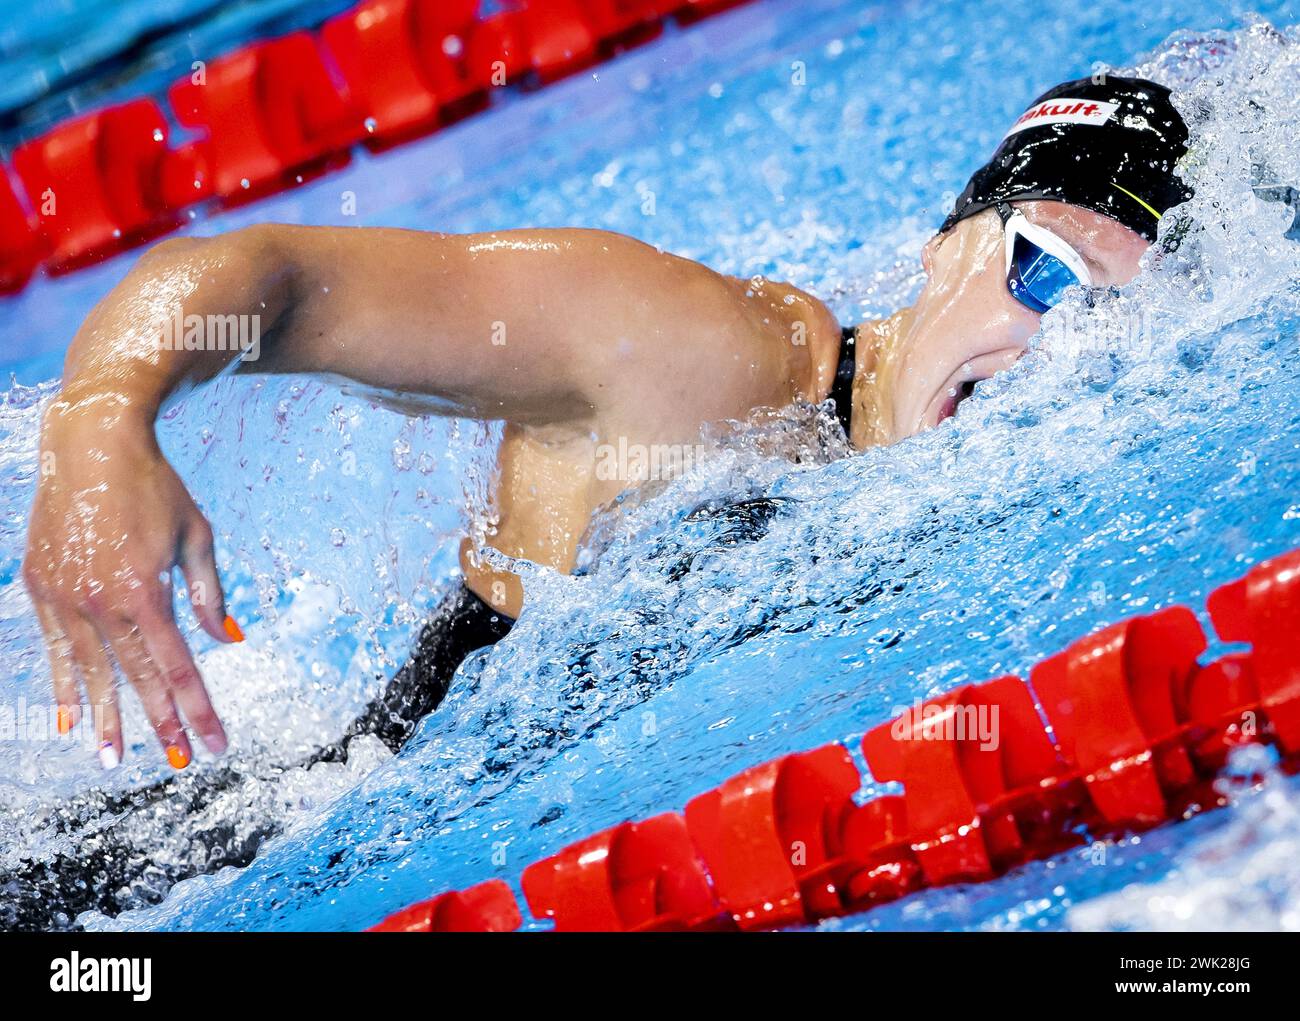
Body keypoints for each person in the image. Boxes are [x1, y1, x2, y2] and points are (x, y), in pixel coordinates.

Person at [10, 75, 1191, 927]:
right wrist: (99, 420)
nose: (1048, 351)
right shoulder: (690, 352)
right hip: (204, 866)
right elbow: (268, 283)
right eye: (1045, 271)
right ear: (947, 249)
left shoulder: (995, 500)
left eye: (1107, 324)